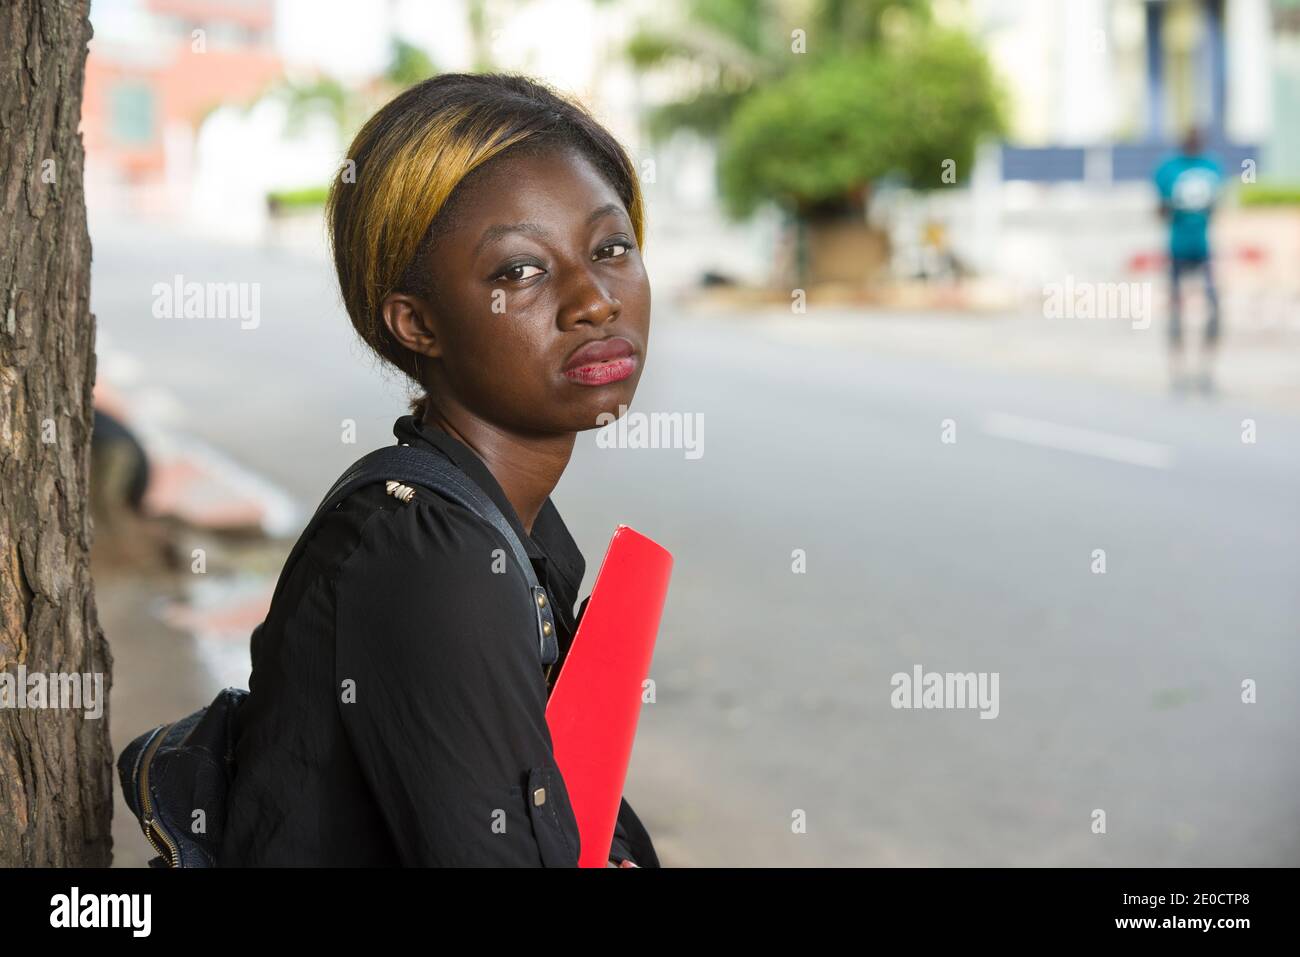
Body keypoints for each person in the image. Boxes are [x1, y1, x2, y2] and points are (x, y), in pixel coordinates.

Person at [219, 73, 658, 867]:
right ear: (417, 323)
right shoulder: (432, 556)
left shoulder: (494, 522)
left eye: (611, 247)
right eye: (519, 270)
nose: (595, 299)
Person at [1153, 127, 1224, 393]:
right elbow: (1159, 210)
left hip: (1203, 248)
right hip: (1177, 249)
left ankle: (1206, 370)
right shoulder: (1168, 169)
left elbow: (1216, 206)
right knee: (1176, 312)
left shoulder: (1212, 167)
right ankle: (1178, 371)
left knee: (1213, 309)